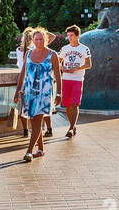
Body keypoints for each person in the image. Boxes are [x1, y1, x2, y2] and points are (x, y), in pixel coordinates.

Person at [15, 27, 61, 162]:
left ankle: (29, 151)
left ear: (46, 40)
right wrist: (18, 91)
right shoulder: (28, 53)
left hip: (45, 93)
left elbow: (58, 75)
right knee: (34, 121)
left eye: (41, 39)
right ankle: (40, 149)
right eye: (36, 39)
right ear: (33, 40)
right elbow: (22, 74)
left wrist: (59, 93)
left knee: (37, 122)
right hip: (29, 92)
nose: (39, 42)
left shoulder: (52, 55)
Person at [57, 24, 91, 138]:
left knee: (75, 104)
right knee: (67, 105)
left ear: (77, 36)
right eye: (68, 35)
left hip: (77, 79)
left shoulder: (84, 49)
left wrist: (76, 68)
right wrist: (62, 68)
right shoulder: (65, 49)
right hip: (65, 79)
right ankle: (73, 125)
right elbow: (58, 61)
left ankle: (71, 128)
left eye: (71, 35)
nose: (69, 38)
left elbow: (89, 64)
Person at [14, 27, 34, 137]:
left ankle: (25, 130)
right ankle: (35, 129)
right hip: (32, 79)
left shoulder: (19, 50)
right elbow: (51, 37)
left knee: (24, 106)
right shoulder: (34, 49)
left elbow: (20, 66)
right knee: (34, 106)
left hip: (22, 80)